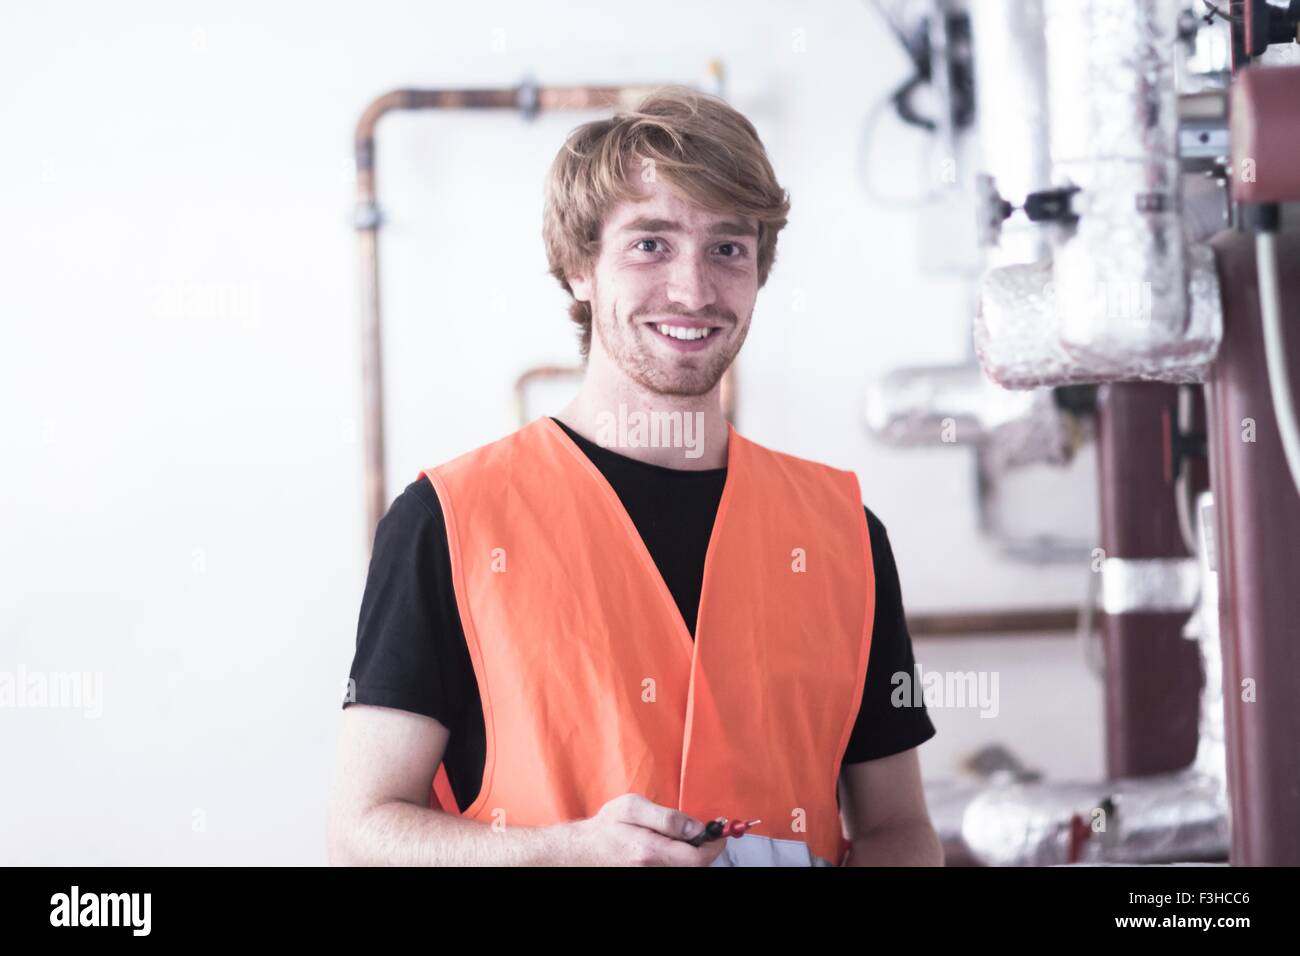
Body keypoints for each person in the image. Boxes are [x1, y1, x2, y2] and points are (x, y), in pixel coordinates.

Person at [328, 86, 942, 866]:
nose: (693, 290)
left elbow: (897, 827)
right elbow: (361, 831)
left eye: (728, 248)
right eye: (650, 244)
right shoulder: (448, 521)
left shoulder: (844, 533)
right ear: (580, 268)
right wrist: (565, 850)